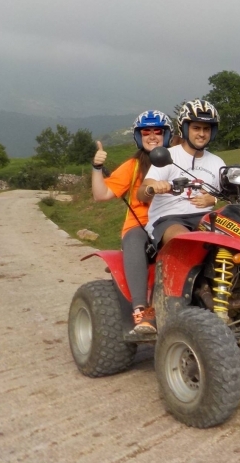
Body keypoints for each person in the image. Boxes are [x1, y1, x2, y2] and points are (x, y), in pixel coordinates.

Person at [91, 110, 173, 334]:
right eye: (146, 132)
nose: (153, 136)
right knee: (135, 239)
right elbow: (102, 194)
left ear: (167, 135)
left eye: (158, 131)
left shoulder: (178, 161)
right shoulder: (133, 166)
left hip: (173, 222)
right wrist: (97, 168)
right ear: (139, 136)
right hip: (142, 226)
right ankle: (142, 311)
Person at [138, 99, 225, 249]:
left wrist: (215, 200)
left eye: (207, 129)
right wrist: (152, 187)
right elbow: (140, 194)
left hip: (205, 219)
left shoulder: (218, 163)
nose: (202, 134)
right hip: (168, 220)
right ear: (185, 129)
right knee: (186, 240)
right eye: (196, 128)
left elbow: (232, 198)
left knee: (239, 239)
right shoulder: (168, 156)